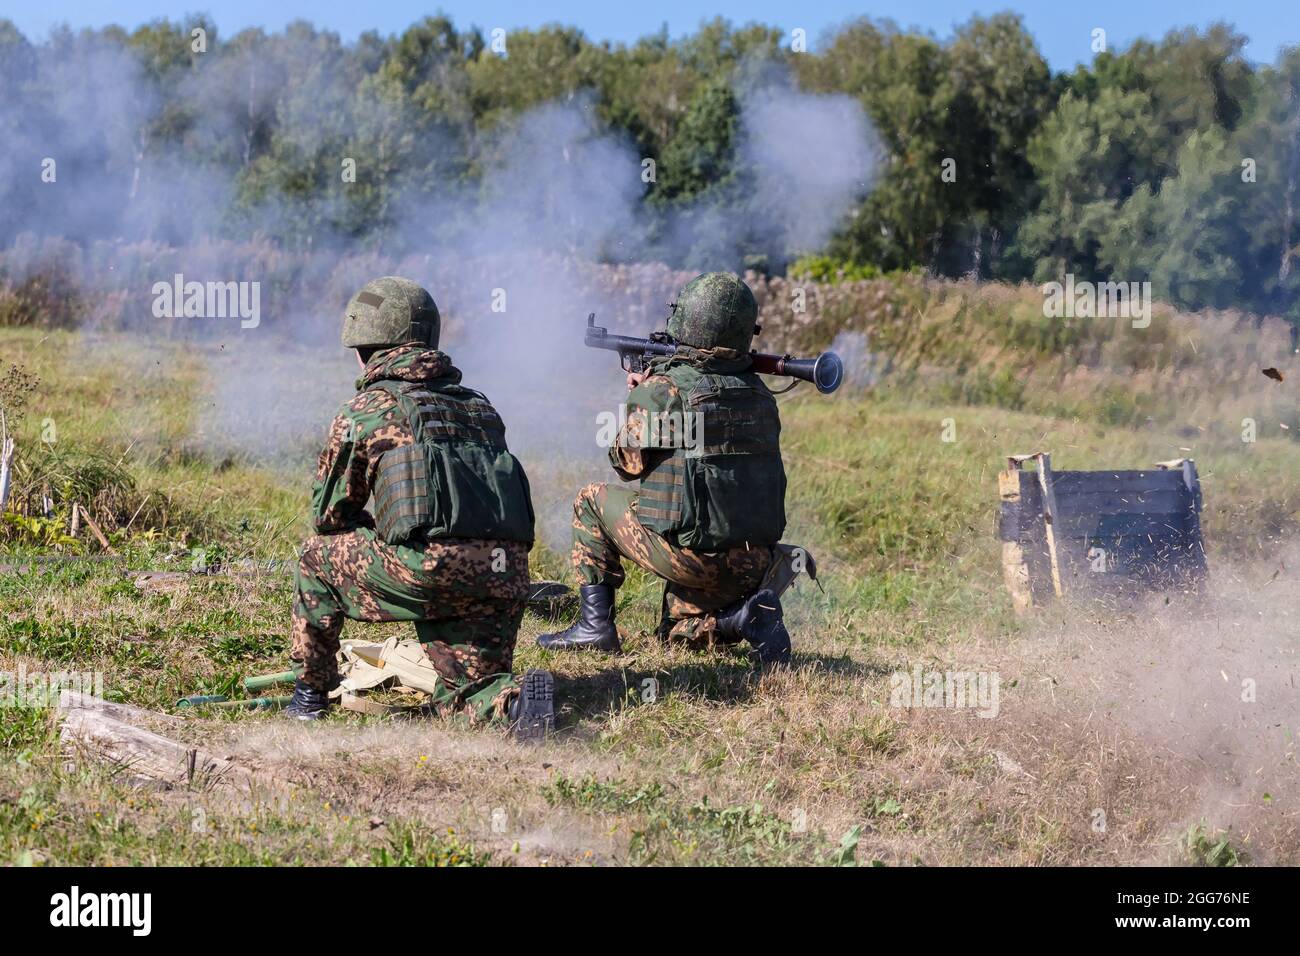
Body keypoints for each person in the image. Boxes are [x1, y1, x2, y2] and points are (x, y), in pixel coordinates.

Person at [286, 276, 553, 739]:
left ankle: (310, 697)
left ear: (365, 346)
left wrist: (378, 532)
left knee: (315, 558)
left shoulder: (367, 408)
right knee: (464, 690)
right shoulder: (480, 407)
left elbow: (328, 517)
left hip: (428, 571)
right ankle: (514, 705)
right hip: (503, 574)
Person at [538, 272, 792, 664]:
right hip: (755, 562)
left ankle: (595, 627)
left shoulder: (666, 390)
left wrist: (641, 393)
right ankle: (742, 618)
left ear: (687, 320)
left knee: (590, 500)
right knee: (672, 634)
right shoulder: (760, 394)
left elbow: (625, 463)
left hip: (695, 559)